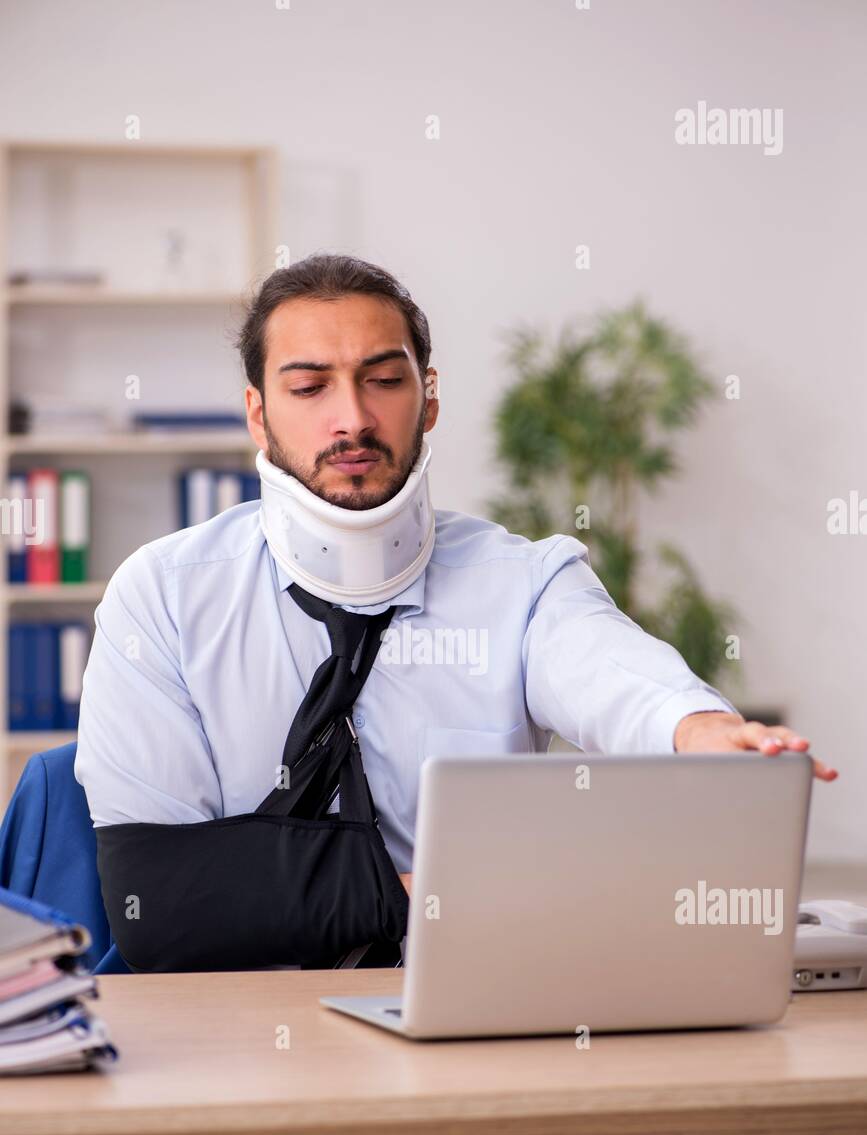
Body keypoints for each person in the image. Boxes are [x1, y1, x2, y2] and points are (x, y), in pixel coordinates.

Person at [74, 253, 836, 969]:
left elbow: (610, 670)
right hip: (232, 1032)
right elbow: (160, 906)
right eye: (309, 388)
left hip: (474, 1004)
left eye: (382, 380)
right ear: (256, 412)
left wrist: (695, 732)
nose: (352, 420)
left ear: (428, 398)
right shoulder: (162, 598)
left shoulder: (524, 581)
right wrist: (437, 896)